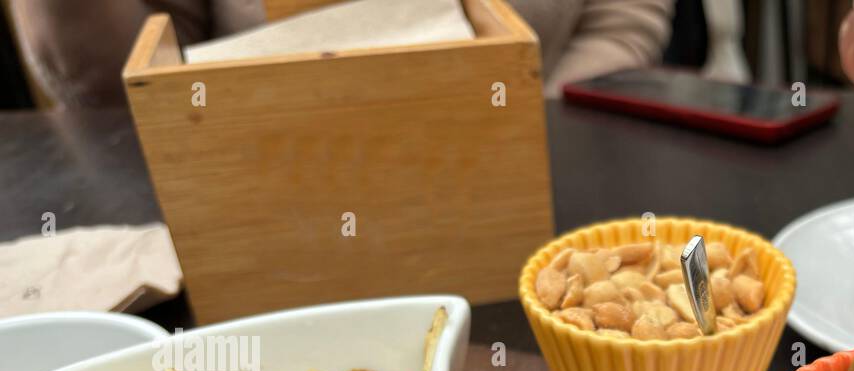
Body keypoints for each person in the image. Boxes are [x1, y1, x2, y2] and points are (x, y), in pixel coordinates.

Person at [10, 0, 674, 106]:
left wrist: (529, 125)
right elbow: (121, 76)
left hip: (530, 184)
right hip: (263, 185)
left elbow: (626, 17)